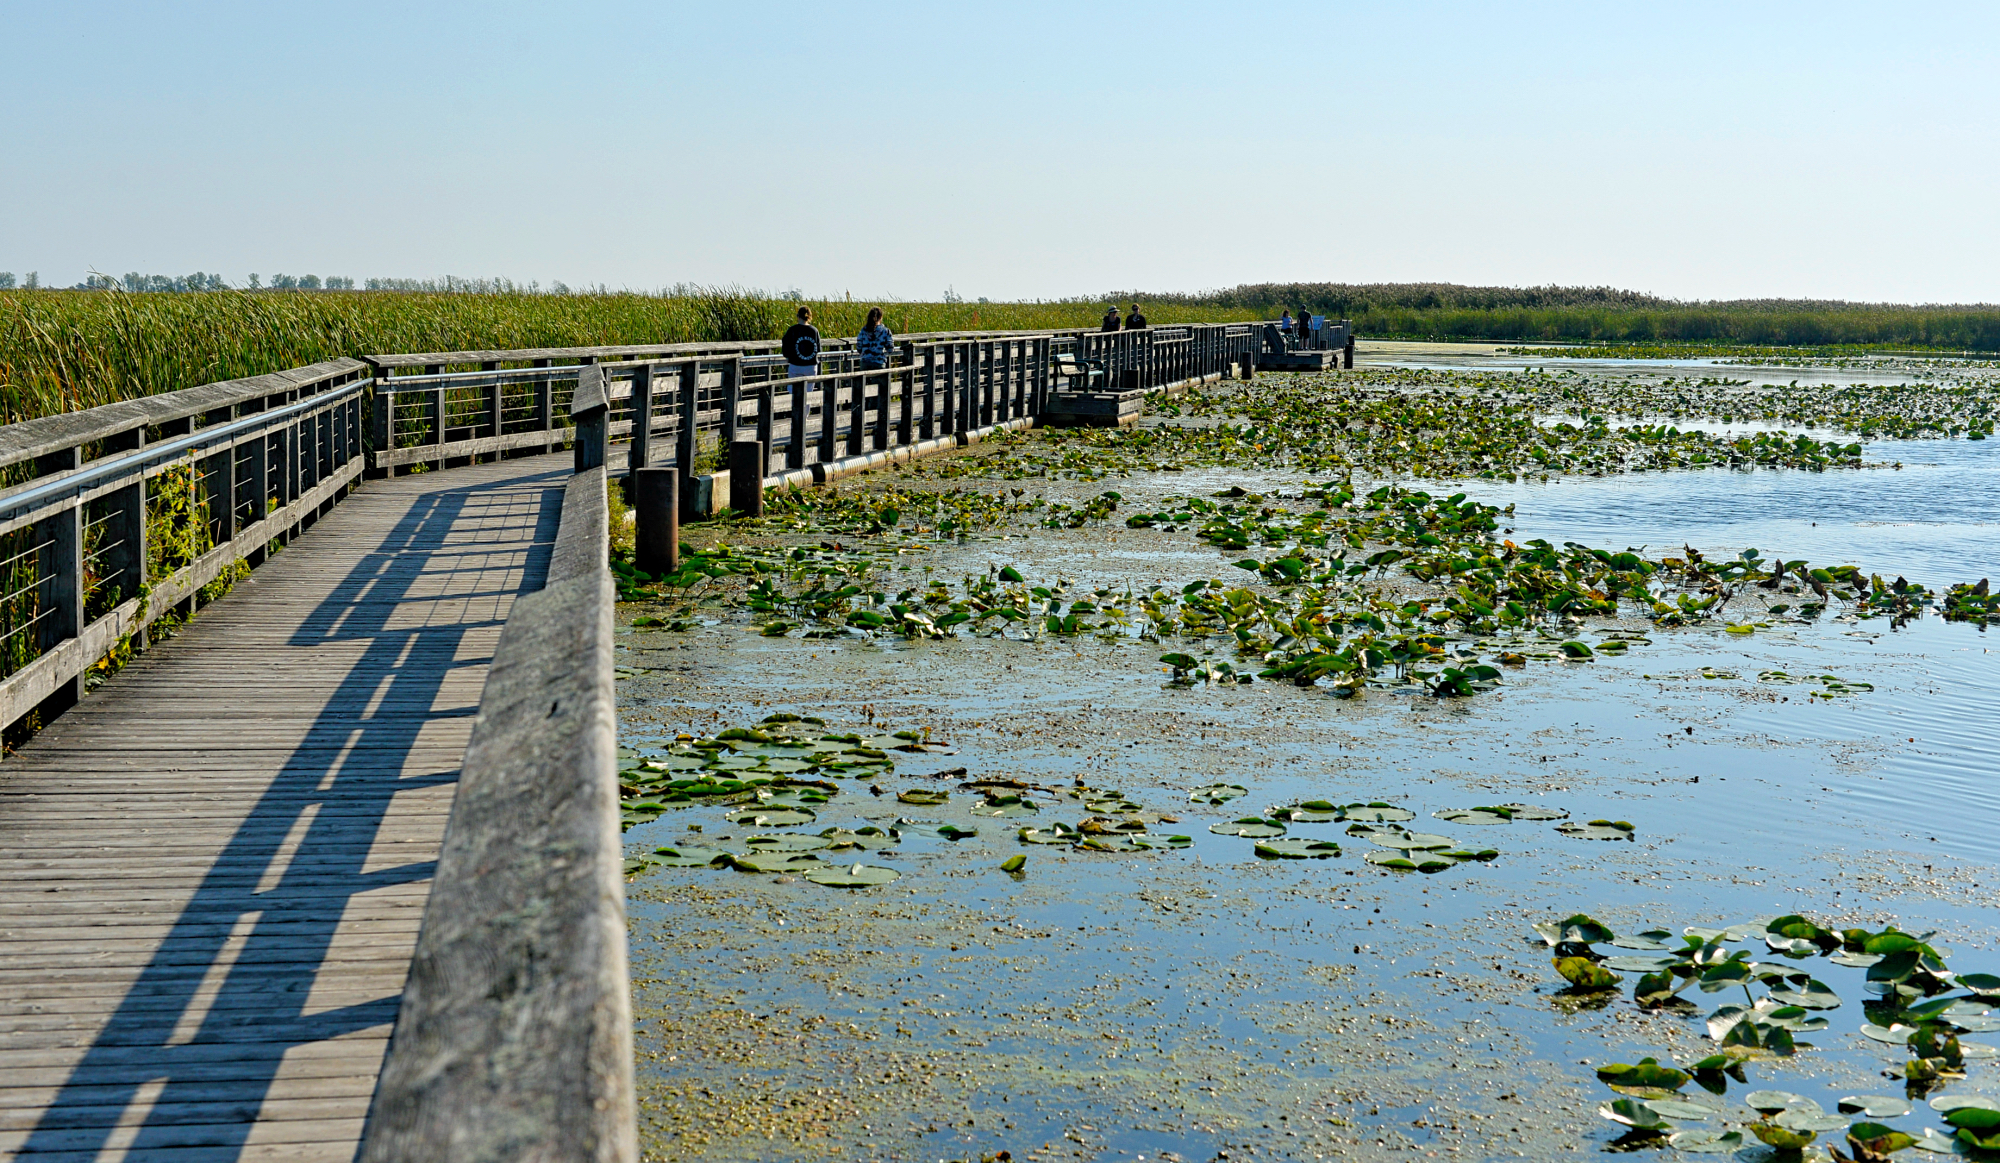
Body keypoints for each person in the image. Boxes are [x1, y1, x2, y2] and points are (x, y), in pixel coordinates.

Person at [782, 306, 820, 380]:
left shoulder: (792, 330)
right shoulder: (814, 331)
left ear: (798, 316)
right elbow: (818, 349)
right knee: (809, 391)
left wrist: (787, 356)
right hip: (811, 366)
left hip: (796, 365)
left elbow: (785, 344)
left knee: (793, 390)